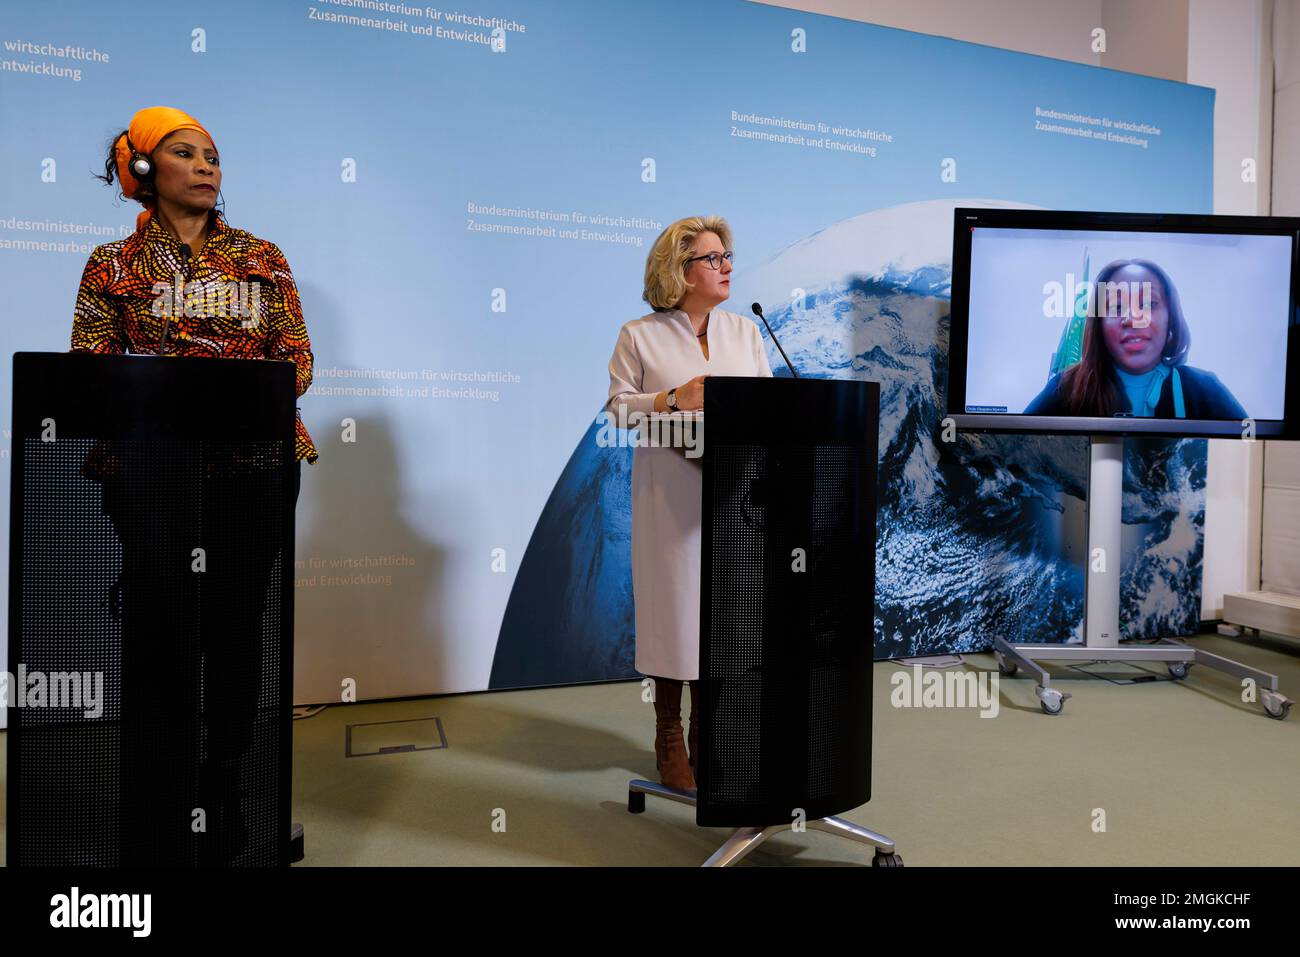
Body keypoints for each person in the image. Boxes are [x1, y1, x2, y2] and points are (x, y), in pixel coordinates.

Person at [70, 106, 316, 864]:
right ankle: (161, 785)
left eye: (213, 154)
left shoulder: (263, 258)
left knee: (236, 628)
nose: (207, 166)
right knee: (162, 631)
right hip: (153, 478)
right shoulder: (110, 265)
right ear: (143, 171)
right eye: (186, 153)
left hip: (252, 473)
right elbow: (90, 364)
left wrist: (217, 394)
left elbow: (296, 362)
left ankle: (226, 779)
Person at [606, 216, 773, 791]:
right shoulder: (639, 335)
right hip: (671, 494)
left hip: (733, 495)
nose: (727, 265)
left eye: (727, 255)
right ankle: (669, 734)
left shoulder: (745, 334)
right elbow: (618, 410)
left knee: (721, 616)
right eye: (713, 257)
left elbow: (768, 408)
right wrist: (674, 397)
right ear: (680, 271)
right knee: (675, 615)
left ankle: (709, 730)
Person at [1025, 258, 1246, 419]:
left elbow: (1250, 445)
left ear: (1171, 320)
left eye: (1149, 304)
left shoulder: (1204, 389)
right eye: (1116, 306)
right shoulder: (1066, 388)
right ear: (1099, 325)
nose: (1132, 319)